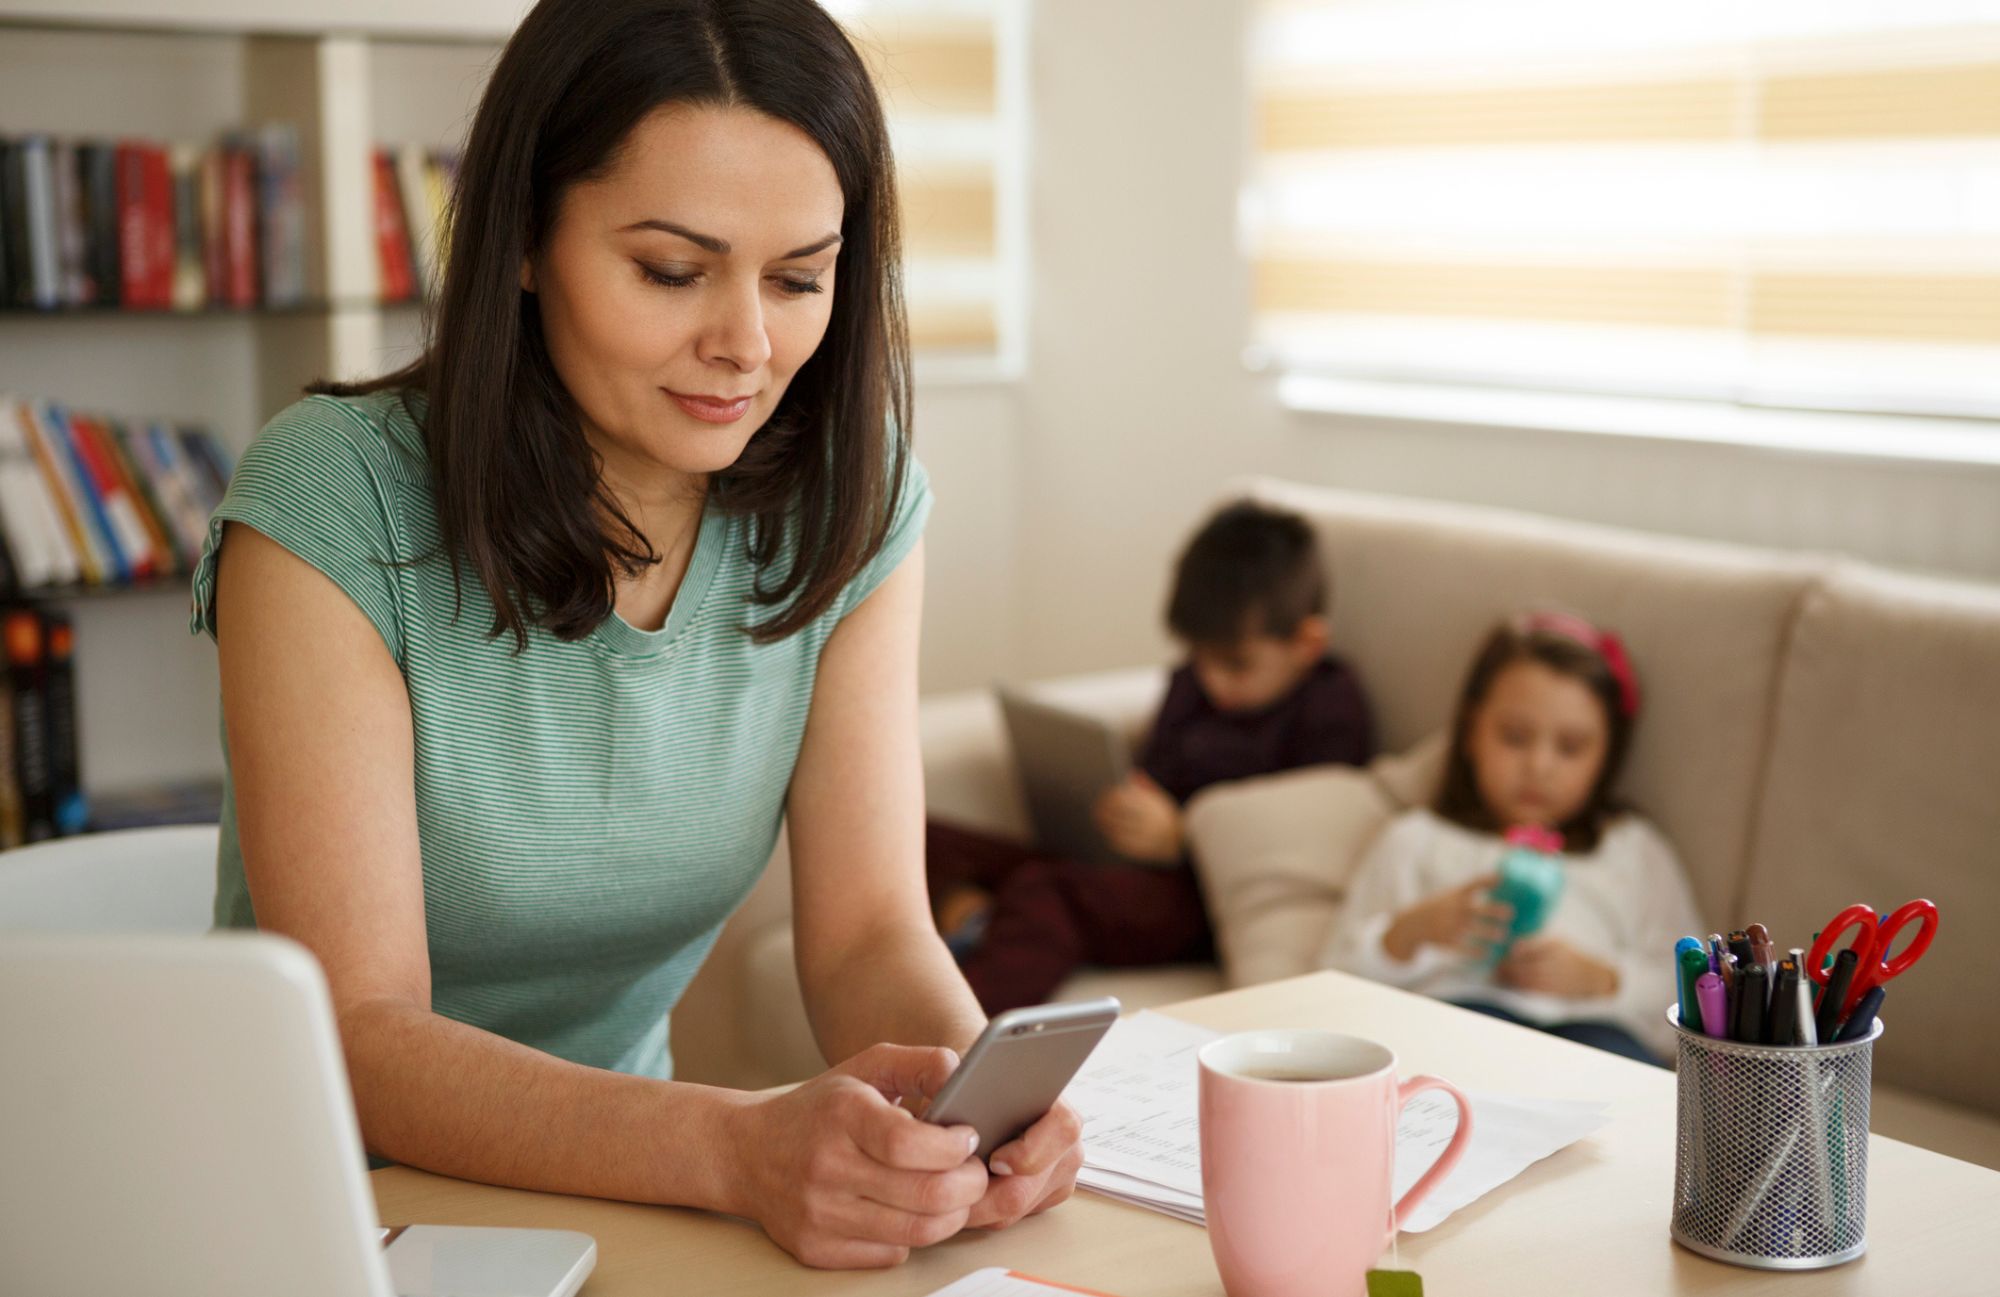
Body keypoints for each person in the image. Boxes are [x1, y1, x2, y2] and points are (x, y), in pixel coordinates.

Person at [193, 0, 1079, 1271]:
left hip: (620, 1201)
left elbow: (868, 933)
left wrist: (969, 1105)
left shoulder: (854, 497)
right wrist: (732, 1146)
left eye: (798, 277)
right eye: (671, 271)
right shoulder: (333, 501)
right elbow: (360, 1029)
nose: (747, 346)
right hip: (314, 1195)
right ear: (524, 243)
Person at [931, 500, 1376, 1012]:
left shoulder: (1330, 707)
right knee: (920, 837)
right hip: (1128, 868)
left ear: (1307, 642)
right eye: (1200, 657)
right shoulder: (1190, 686)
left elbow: (1305, 843)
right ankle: (980, 920)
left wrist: (1185, 837)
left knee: (1046, 892)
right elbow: (1156, 769)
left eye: (1236, 664)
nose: (1212, 680)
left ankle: (953, 1040)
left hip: (1203, 899)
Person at [1318, 612, 1703, 1063]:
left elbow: (1694, 994)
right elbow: (1331, 983)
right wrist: (1414, 932)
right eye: (1515, 737)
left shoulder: (1631, 850)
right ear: (1470, 730)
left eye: (1571, 747)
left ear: (1608, 755)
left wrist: (1601, 980)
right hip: (1461, 1021)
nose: (1539, 765)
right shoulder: (1416, 840)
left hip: (1596, 1037)